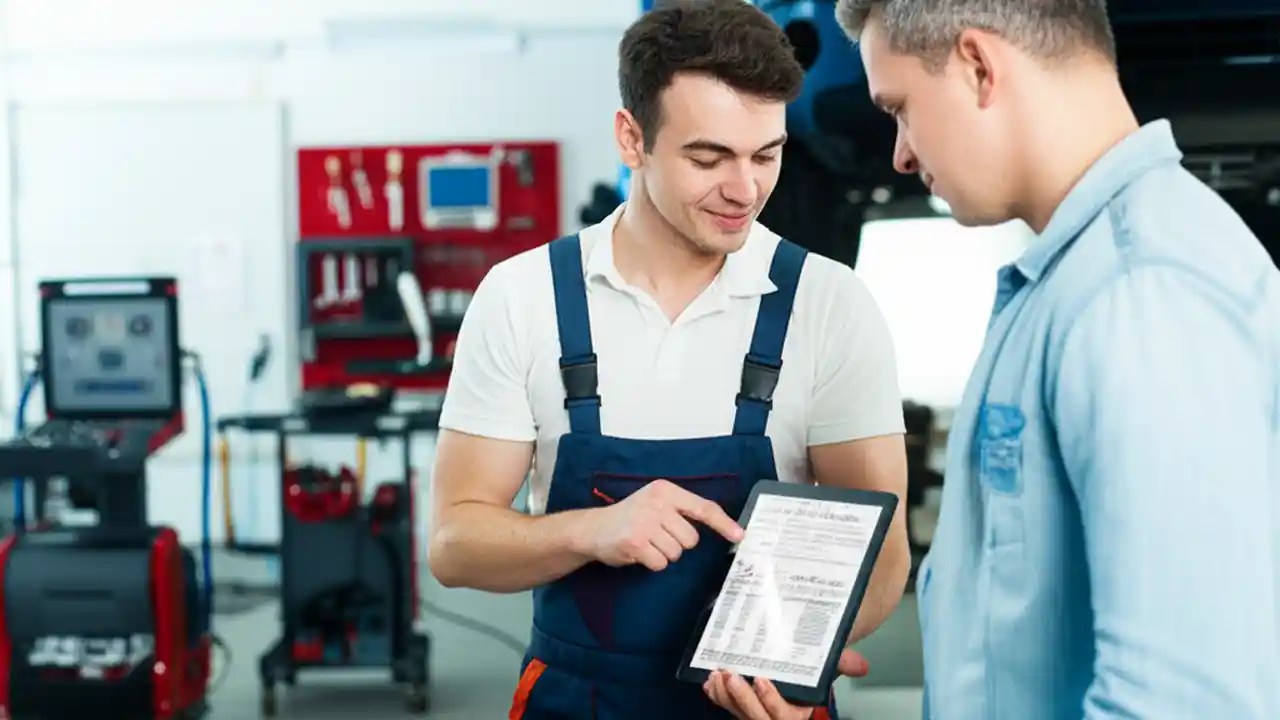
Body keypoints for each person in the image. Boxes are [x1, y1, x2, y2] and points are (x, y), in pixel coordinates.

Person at [427, 1, 911, 718]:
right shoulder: (524, 297)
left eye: (766, 155)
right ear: (632, 139)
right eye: (708, 157)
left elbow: (884, 556)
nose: (744, 190)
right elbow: (454, 542)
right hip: (577, 700)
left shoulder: (830, 304)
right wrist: (592, 530)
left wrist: (785, 659)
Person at [836, 1, 1280, 718]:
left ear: (979, 67)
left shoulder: (1142, 291)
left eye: (902, 109)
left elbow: (1178, 702)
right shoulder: (1072, 281)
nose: (902, 154)